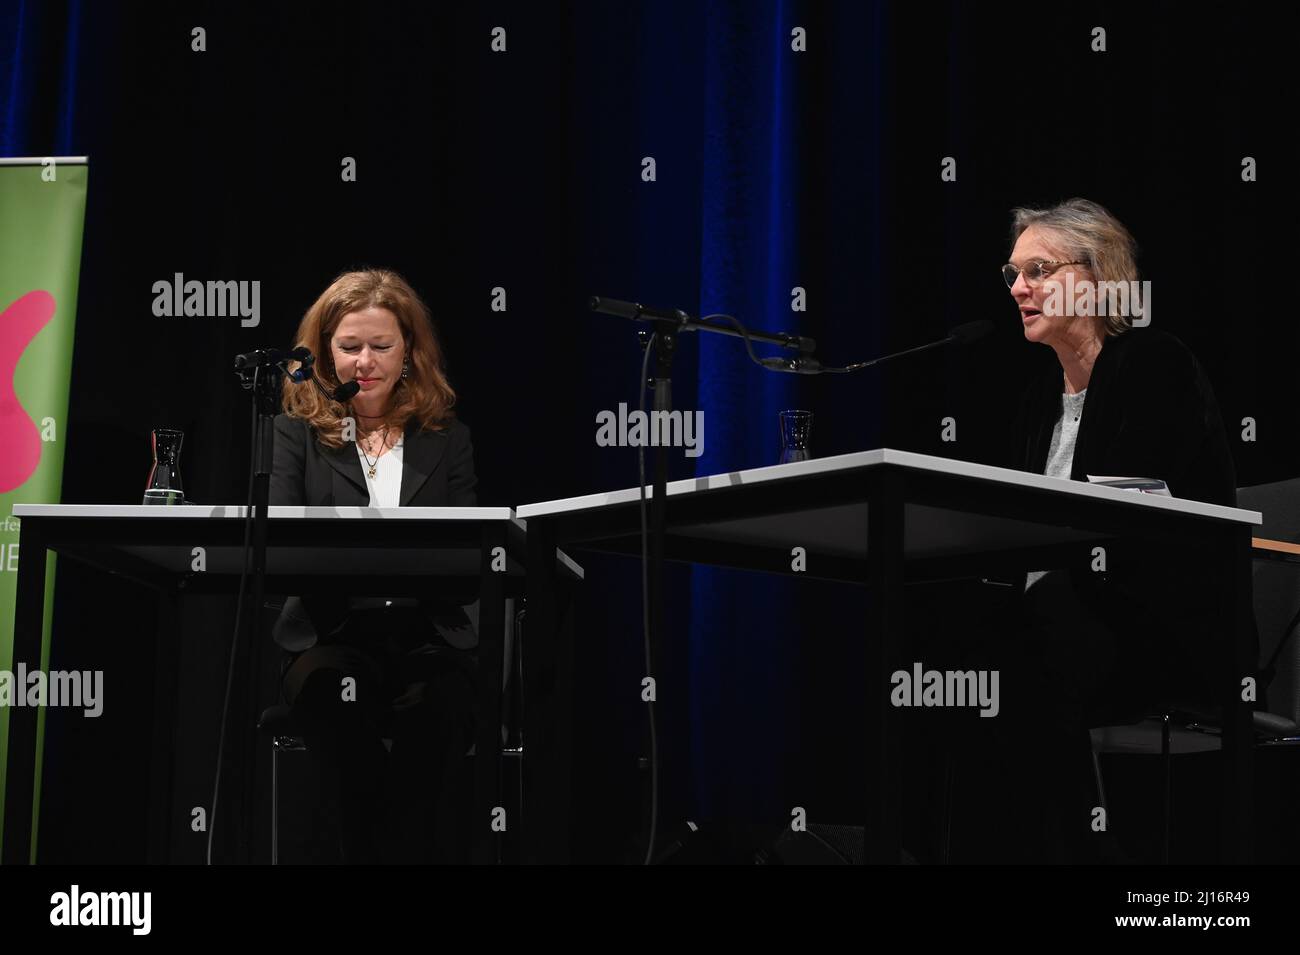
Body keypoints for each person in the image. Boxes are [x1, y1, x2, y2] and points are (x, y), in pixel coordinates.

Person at [930, 199, 1243, 862]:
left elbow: (1139, 519)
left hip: (1157, 624)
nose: (1018, 288)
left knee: (1024, 643)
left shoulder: (1155, 363)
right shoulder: (1038, 401)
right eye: (1012, 272)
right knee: (945, 647)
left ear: (1097, 278)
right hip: (1059, 627)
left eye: (1038, 269)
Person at [268, 268, 479, 864]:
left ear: (409, 352)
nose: (365, 362)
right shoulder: (295, 433)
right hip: (330, 635)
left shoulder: (447, 437)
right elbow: (280, 532)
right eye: (349, 347)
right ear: (322, 354)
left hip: (428, 638)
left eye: (381, 347)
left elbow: (469, 543)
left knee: (439, 715)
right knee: (338, 708)